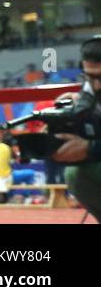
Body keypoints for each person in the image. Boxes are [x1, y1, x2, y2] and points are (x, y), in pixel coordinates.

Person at [55, 35, 101, 218]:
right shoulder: (89, 90)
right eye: (90, 76)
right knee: (76, 174)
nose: (97, 85)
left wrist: (91, 148)